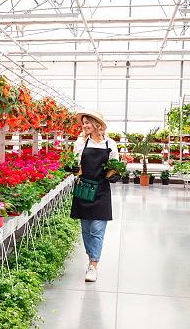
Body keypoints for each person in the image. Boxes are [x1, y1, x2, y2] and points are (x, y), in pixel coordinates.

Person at [68, 109, 119, 282]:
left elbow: (115, 166)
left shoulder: (110, 144)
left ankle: (93, 265)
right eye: (83, 123)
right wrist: (73, 170)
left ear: (96, 125)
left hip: (101, 190)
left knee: (97, 229)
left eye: (87, 122)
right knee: (86, 230)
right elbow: (76, 165)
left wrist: (115, 175)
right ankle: (91, 255)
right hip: (84, 189)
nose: (84, 125)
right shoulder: (80, 143)